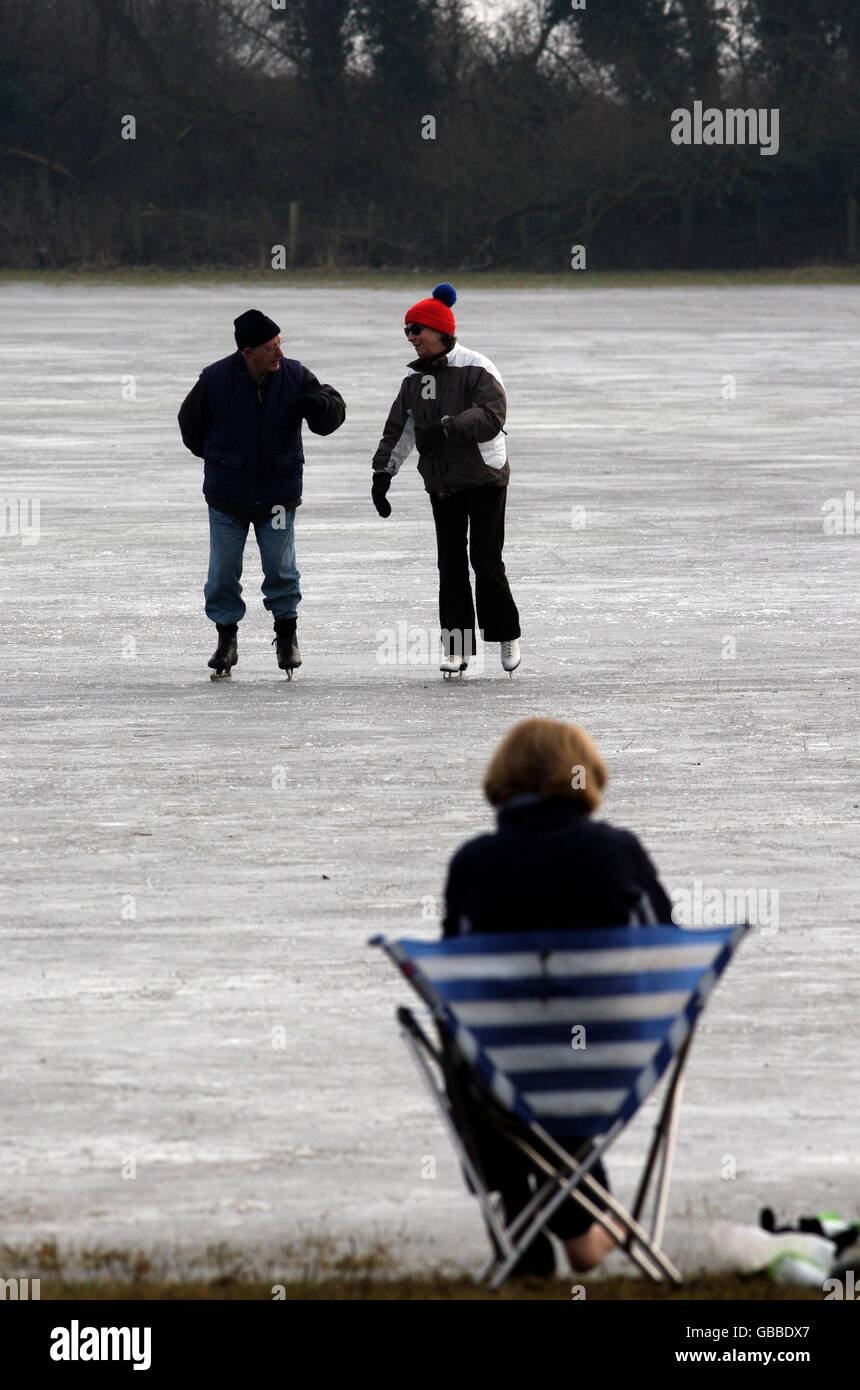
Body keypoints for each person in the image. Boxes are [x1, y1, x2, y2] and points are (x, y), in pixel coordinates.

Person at [442, 717, 674, 1277]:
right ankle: (582, 1228)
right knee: (564, 1049)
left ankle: (518, 1207)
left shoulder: (474, 864)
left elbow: (456, 981)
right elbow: (664, 956)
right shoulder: (617, 853)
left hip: (504, 1077)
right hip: (608, 1065)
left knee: (464, 1042)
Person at [178, 309, 345, 678]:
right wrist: (221, 458)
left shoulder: (295, 375)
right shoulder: (216, 378)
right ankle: (226, 641)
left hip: (277, 496)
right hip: (227, 497)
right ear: (248, 351)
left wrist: (320, 406)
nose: (279, 353)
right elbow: (190, 425)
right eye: (272, 347)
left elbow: (334, 410)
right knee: (223, 571)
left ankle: (287, 637)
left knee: (280, 568)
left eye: (280, 344)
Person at [370, 283, 521, 677]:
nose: (410, 339)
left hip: (485, 478)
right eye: (406, 331)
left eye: (415, 330)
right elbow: (399, 428)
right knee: (450, 564)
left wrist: (448, 425)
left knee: (485, 561)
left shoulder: (477, 367)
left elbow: (492, 417)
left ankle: (506, 633)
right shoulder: (414, 378)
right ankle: (457, 648)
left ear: (439, 330)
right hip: (443, 482)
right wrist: (383, 473)